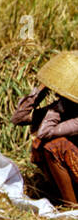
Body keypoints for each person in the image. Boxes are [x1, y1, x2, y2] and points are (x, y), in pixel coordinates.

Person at [12, 51, 78, 206]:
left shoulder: (69, 115)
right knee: (43, 146)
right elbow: (19, 118)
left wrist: (58, 107)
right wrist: (39, 93)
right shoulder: (64, 110)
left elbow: (45, 132)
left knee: (54, 147)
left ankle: (71, 205)